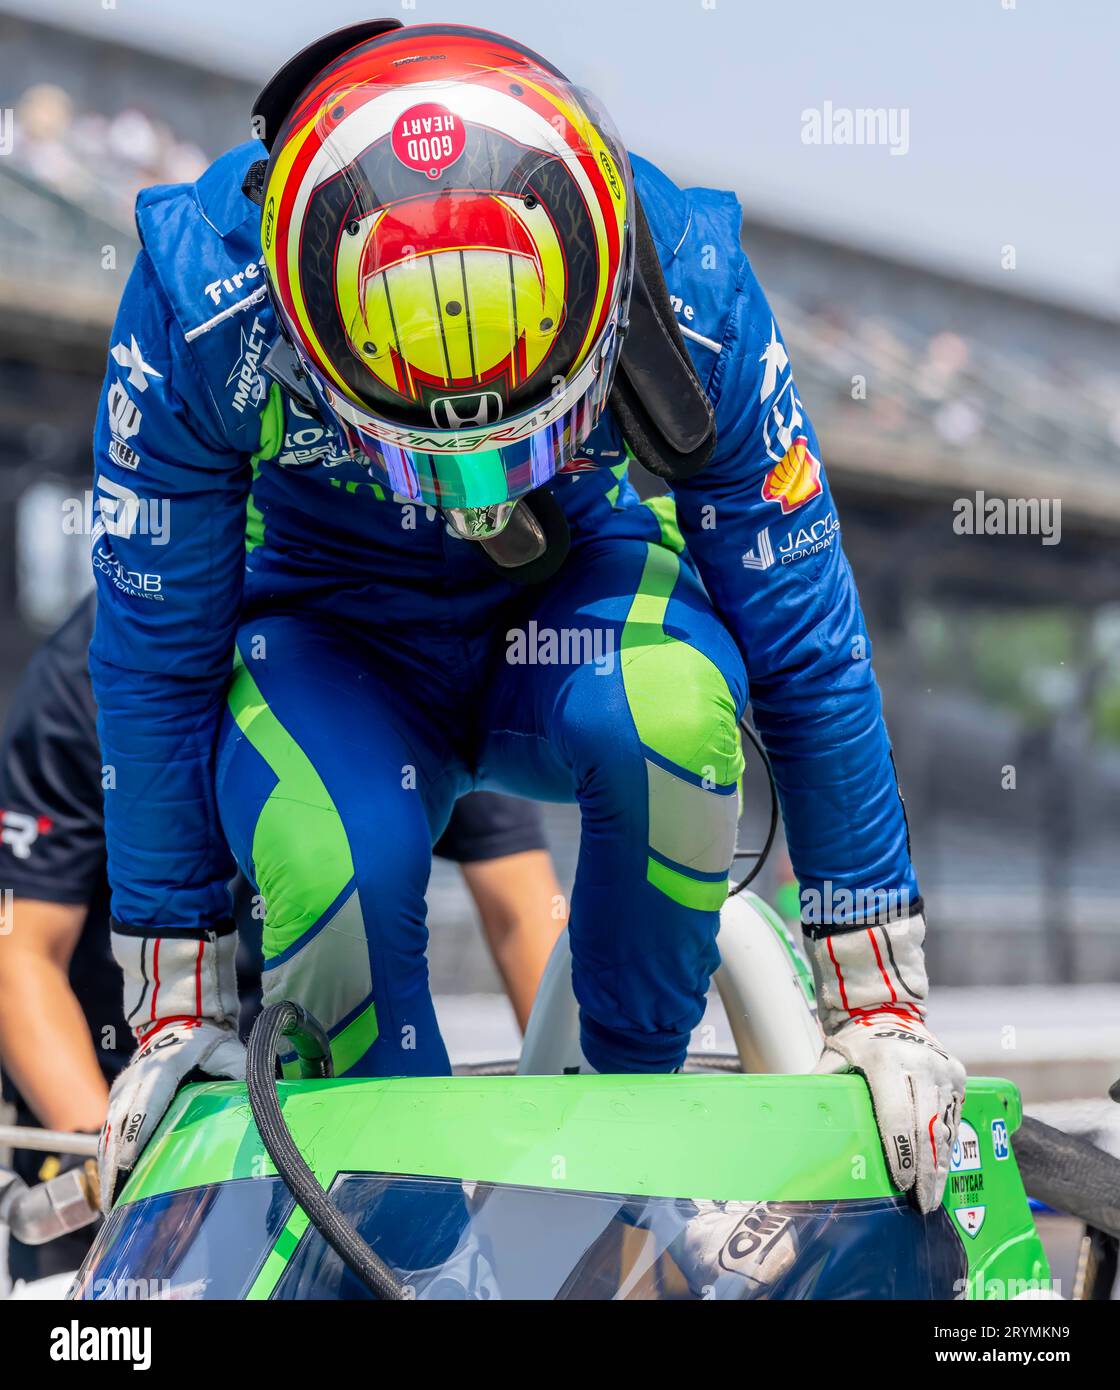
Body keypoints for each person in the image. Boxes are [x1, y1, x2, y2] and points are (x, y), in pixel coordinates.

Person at [91, 20, 963, 1218]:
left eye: (509, 438)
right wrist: (174, 1001)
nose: (472, 487)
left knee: (670, 724)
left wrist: (875, 993)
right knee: (332, 861)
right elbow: (154, 657)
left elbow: (804, 636)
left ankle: (614, 1185)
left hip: (573, 591)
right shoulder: (200, 299)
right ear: (299, 327)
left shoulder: (690, 279)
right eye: (432, 451)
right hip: (327, 640)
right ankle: (403, 1232)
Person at [0, 594, 562, 1280]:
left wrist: (581, 1135)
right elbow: (19, 954)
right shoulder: (87, 676)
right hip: (123, 1091)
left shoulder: (391, 638)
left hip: (310, 1080)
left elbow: (524, 911)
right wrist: (122, 1167)